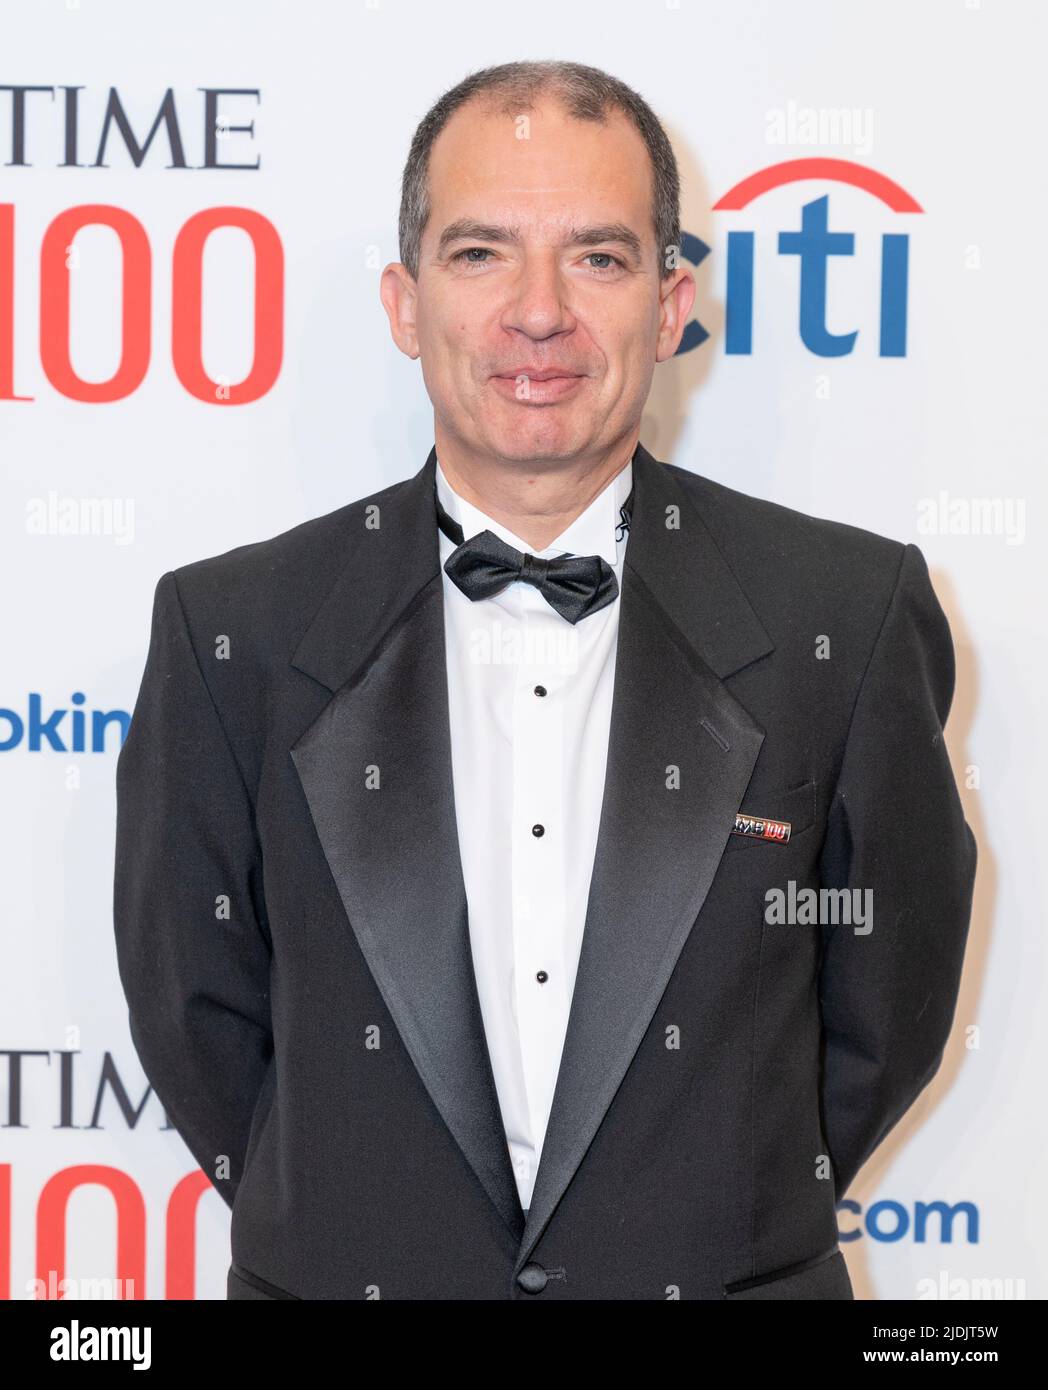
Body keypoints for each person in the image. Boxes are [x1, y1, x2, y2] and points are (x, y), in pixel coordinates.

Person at [113, 59, 977, 1301]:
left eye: (598, 258)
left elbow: (883, 1002)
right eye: (478, 254)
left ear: (671, 303)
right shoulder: (229, 631)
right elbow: (198, 1014)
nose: (537, 312)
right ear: (404, 304)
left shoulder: (842, 614)